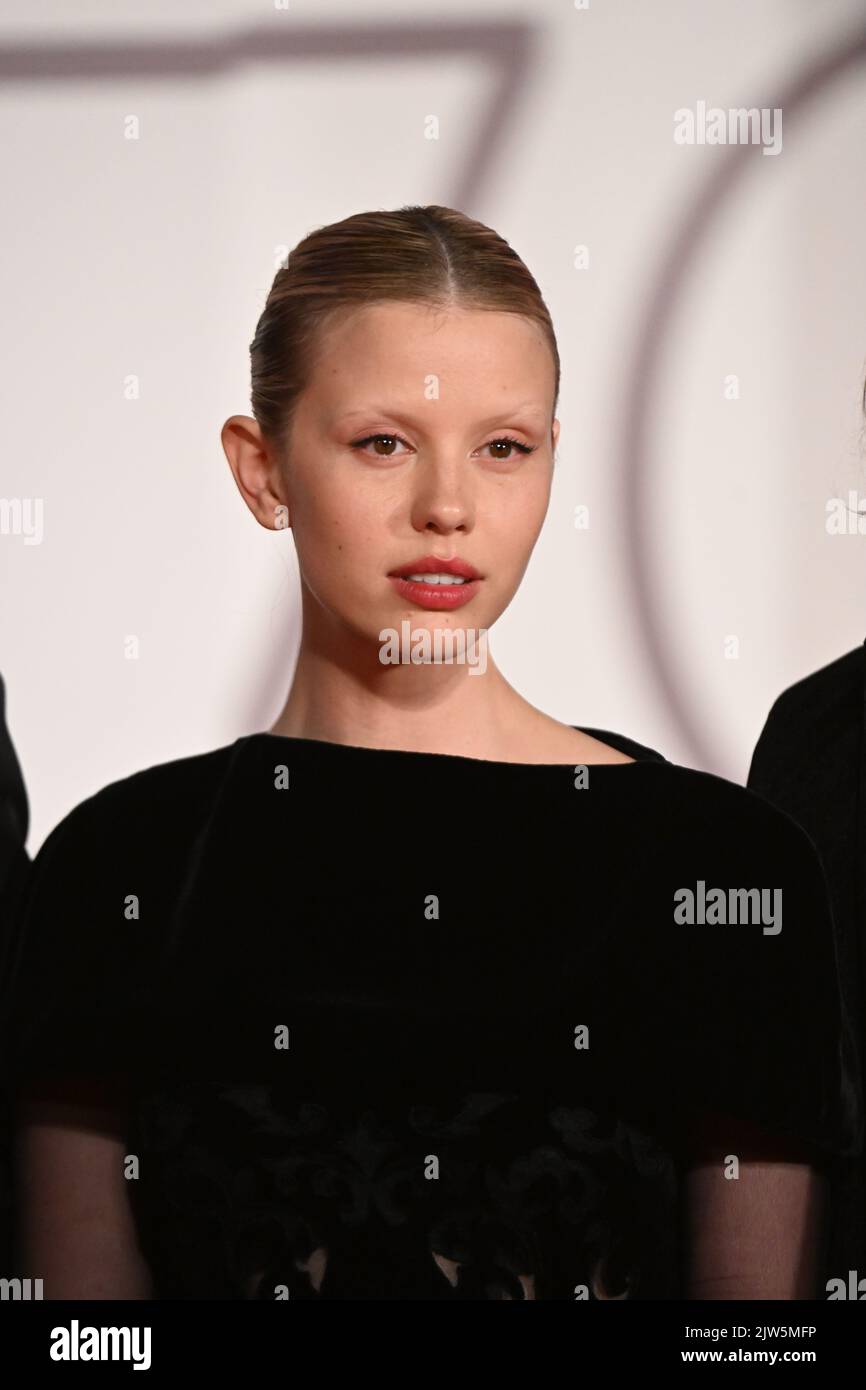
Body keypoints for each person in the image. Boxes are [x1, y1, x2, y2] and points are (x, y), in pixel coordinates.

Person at [4, 205, 860, 1300]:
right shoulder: (117, 871)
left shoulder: (719, 868)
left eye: (503, 448)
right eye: (382, 443)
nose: (448, 506)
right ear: (261, 469)